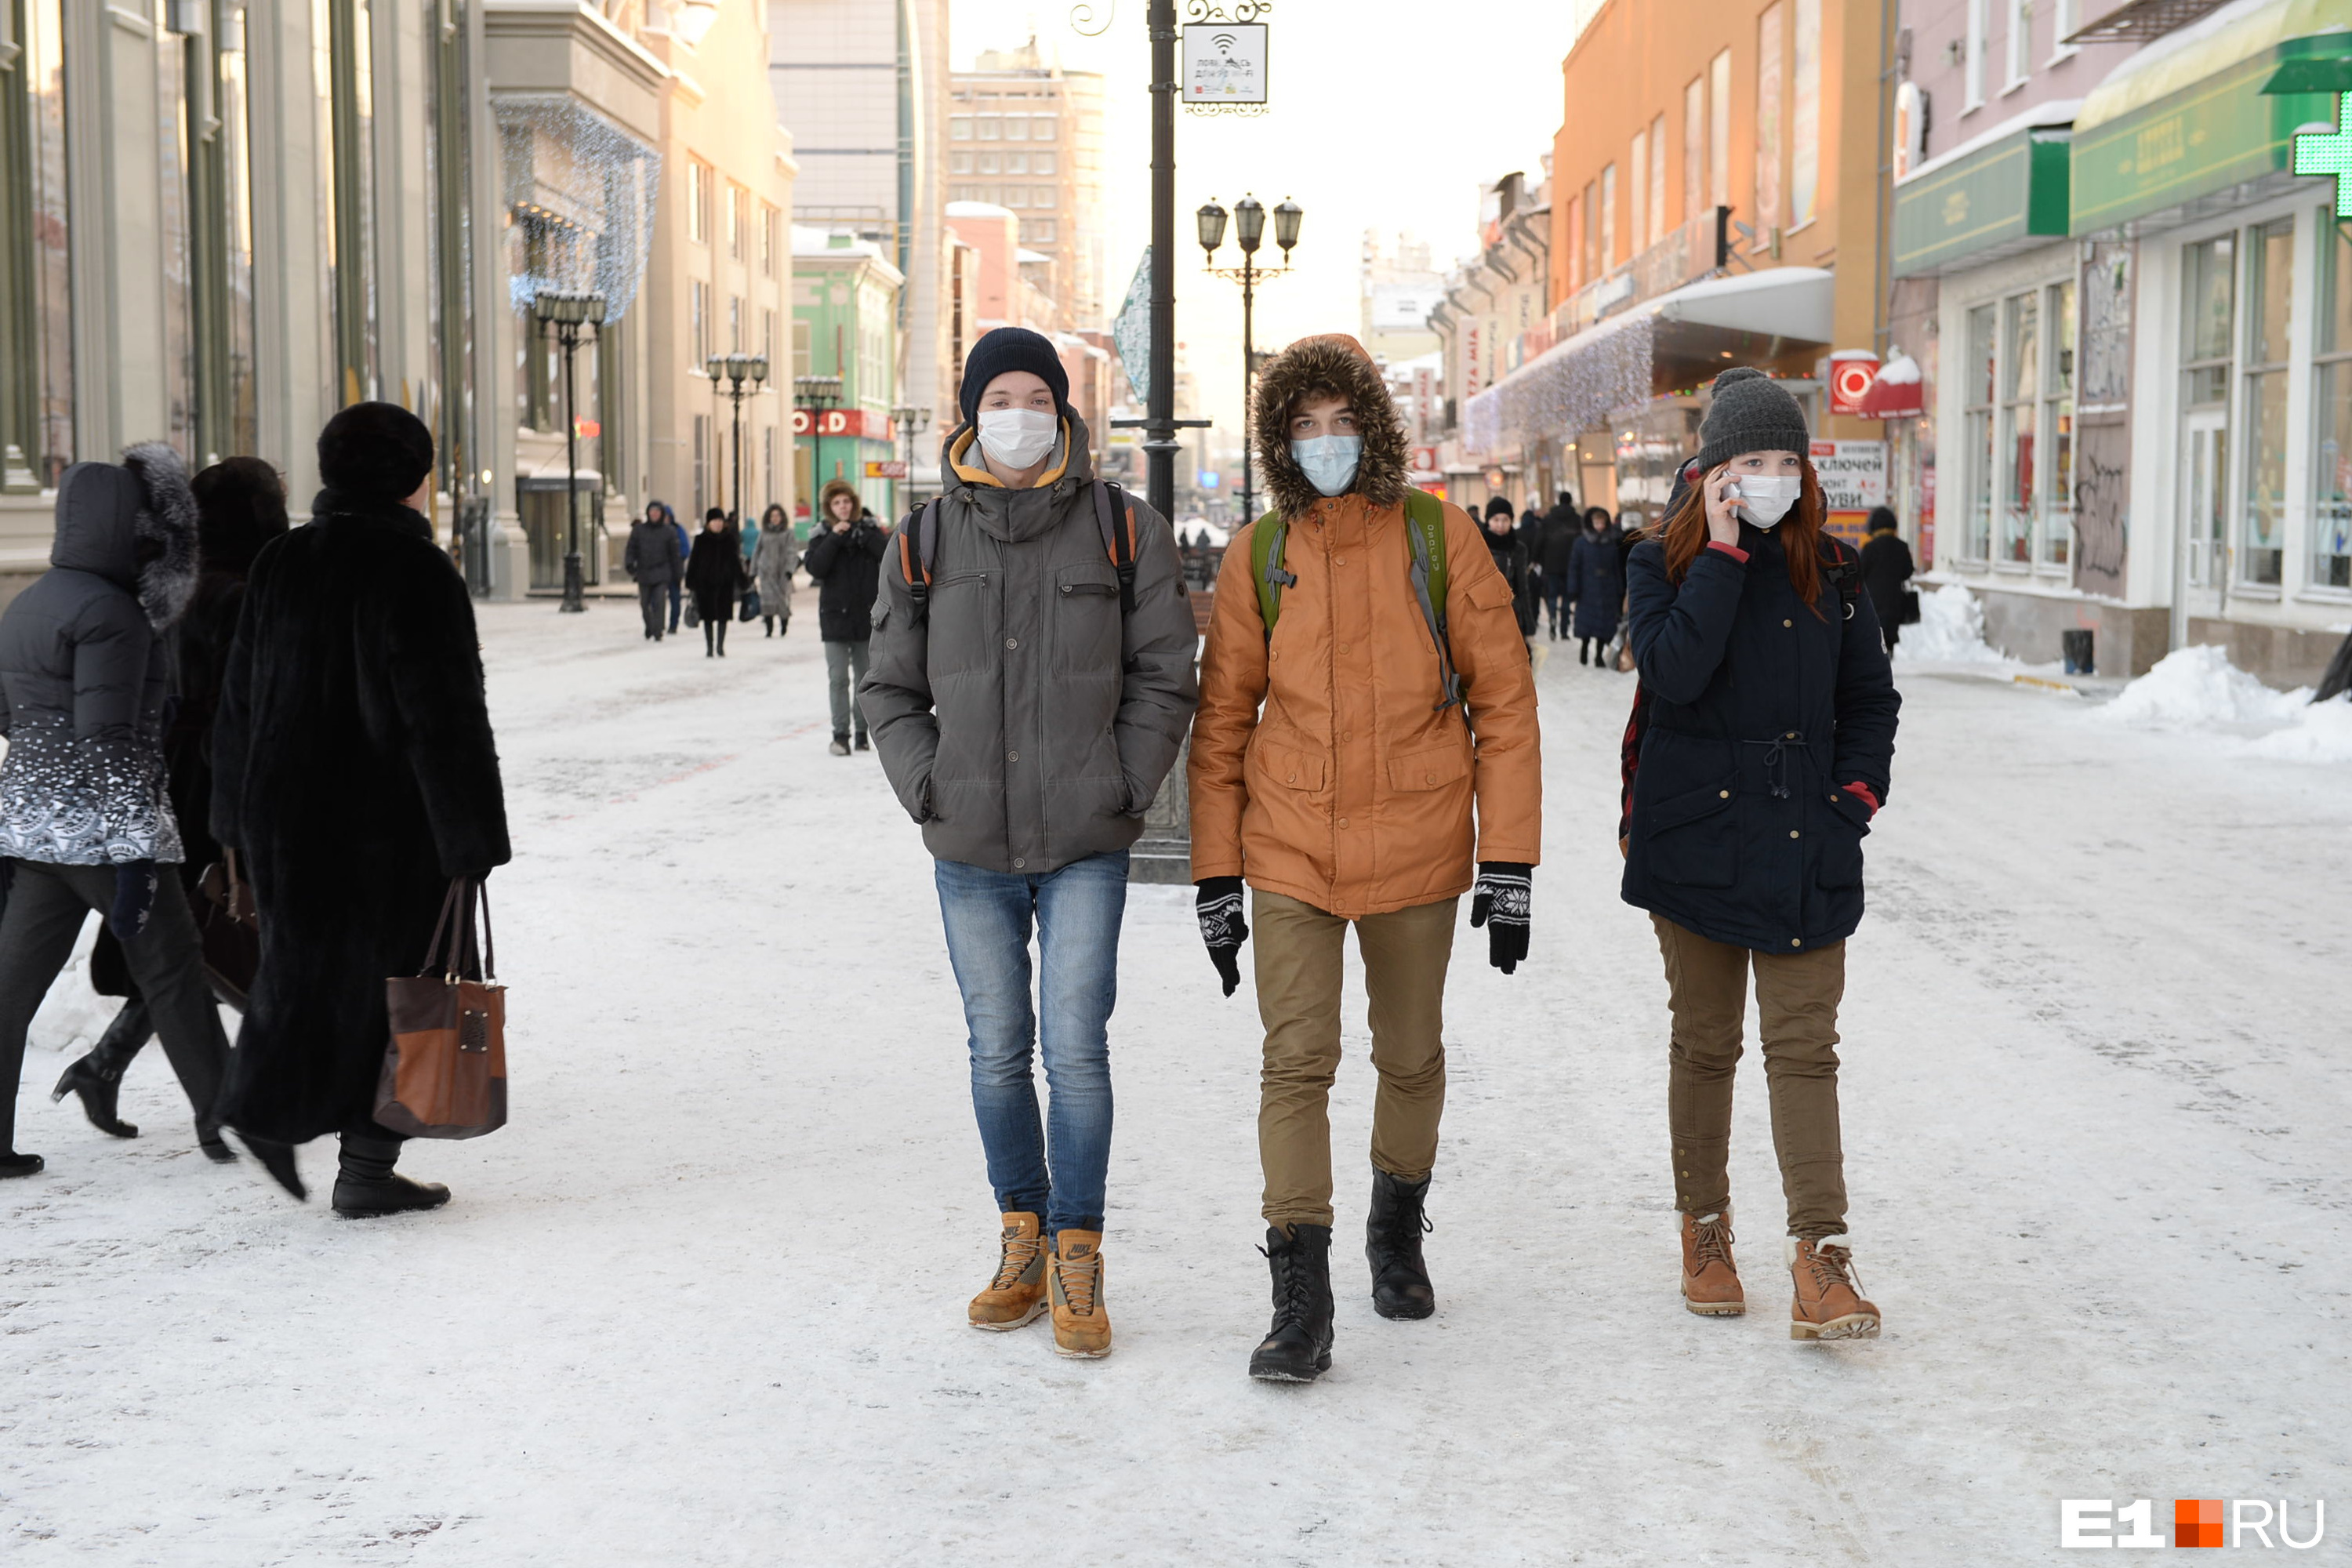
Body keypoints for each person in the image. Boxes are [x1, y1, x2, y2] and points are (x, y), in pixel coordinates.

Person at [1189, 334, 1543, 1384]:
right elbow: (1221, 723)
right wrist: (1216, 875)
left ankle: (1397, 1225)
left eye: (1345, 423)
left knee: (1410, 1055)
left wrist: (1509, 861)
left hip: (1418, 845)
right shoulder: (1262, 553)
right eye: (1306, 426)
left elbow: (1504, 703)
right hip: (1290, 845)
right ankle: (1301, 1296)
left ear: (1376, 429)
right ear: (1280, 440)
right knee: (1296, 1061)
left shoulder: (1438, 536)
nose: (1327, 442)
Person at [862, 325, 1199, 1361]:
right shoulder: (923, 541)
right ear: (972, 412)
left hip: (1083, 841)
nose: (1019, 413)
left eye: (1036, 396)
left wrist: (1125, 781)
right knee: (998, 1052)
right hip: (969, 844)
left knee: (1076, 1050)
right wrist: (928, 785)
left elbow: (1164, 674)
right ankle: (1021, 1232)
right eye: (999, 395)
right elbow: (887, 687)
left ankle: (1078, 1251)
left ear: (1062, 410)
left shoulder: (1120, 529)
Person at [1620, 367, 1900, 1340]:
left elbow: (1871, 700)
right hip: (1694, 836)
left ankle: (1820, 1258)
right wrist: (1724, 557)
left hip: (1802, 839)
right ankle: (1706, 1230)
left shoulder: (1838, 569)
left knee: (1804, 1049)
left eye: (1788, 458)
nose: (1773, 474)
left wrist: (1853, 799)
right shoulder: (1660, 563)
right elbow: (1672, 671)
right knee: (1706, 1044)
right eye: (1752, 460)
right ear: (1712, 472)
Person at [211, 401, 510, 1214]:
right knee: (402, 988)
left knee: (305, 976)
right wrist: (472, 837)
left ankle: (281, 1117)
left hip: (283, 814)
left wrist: (233, 820)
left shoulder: (279, 561)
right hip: (386, 825)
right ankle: (363, 1166)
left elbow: (237, 703)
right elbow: (443, 716)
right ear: (416, 476)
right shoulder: (418, 571)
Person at [0, 444, 245, 1178]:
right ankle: (229, 1114)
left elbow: (11, 719)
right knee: (172, 969)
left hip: (39, 835)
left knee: (11, 985)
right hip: (108, 836)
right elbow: (109, 741)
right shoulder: (114, 616)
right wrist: (137, 850)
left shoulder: (28, 602)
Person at [51, 456, 289, 1148]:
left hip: (172, 774)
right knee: (239, 931)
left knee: (192, 938)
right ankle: (238, 1099)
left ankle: (111, 1066)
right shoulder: (245, 593)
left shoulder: (170, 589)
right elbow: (249, 702)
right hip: (225, 778)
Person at [804, 479, 887, 754]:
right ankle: (840, 735)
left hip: (866, 618)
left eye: (847, 501)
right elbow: (816, 568)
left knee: (865, 680)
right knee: (838, 678)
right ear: (829, 506)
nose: (843, 507)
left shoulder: (868, 529)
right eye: (837, 502)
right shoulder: (821, 534)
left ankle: (862, 734)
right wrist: (834, 538)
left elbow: (888, 555)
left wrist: (864, 534)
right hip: (834, 619)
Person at [1568, 504, 1625, 669]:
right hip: (1588, 587)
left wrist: (1619, 588)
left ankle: (1599, 656)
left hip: (1606, 588)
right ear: (1591, 523)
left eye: (1603, 523)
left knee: (1604, 625)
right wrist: (1573, 589)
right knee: (1587, 624)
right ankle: (1584, 649)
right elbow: (1574, 566)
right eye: (1597, 523)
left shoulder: (1610, 543)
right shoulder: (1581, 543)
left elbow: (1616, 567)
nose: (1600, 527)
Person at [685, 507, 746, 658]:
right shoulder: (701, 540)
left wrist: (742, 580)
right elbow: (694, 562)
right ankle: (709, 646)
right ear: (708, 523)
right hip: (705, 585)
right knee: (708, 617)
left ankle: (720, 646)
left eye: (720, 521)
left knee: (723, 617)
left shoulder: (729, 540)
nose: (717, 524)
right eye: (714, 521)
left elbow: (735, 562)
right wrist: (691, 580)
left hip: (725, 584)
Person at [625, 500, 684, 642]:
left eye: (657, 511)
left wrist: (678, 574)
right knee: (645, 604)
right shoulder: (639, 530)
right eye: (652, 511)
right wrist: (630, 564)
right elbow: (631, 549)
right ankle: (650, 625)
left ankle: (658, 630)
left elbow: (675, 555)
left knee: (659, 602)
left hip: (662, 572)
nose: (655, 514)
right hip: (644, 572)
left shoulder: (669, 532)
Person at [1859, 506, 1915, 655]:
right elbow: (1908, 572)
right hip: (1894, 601)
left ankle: (1878, 659)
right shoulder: (1902, 547)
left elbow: (1860, 573)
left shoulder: (1870, 548)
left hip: (1873, 600)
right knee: (1889, 634)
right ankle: (1888, 654)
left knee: (1875, 634)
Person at [752, 503, 800, 637]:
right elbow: (757, 551)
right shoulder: (764, 533)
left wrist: (790, 569)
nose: (775, 518)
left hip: (783, 572)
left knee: (782, 600)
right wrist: (753, 571)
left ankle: (784, 626)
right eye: (772, 516)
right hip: (766, 572)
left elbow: (792, 552)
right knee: (767, 601)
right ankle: (769, 629)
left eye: (777, 515)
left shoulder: (788, 533)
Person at [1541, 490, 1577, 639]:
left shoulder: (1548, 519)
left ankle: (1552, 621)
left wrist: (1538, 560)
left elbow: (1540, 540)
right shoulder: (1576, 520)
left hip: (1552, 563)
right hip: (1570, 564)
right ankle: (1564, 630)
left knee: (1552, 596)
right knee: (1567, 598)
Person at [666, 503, 691, 633]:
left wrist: (678, 559)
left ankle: (673, 624)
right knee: (656, 600)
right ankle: (657, 623)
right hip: (660, 570)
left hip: (675, 569)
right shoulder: (655, 531)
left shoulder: (678, 529)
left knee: (675, 598)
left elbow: (686, 549)